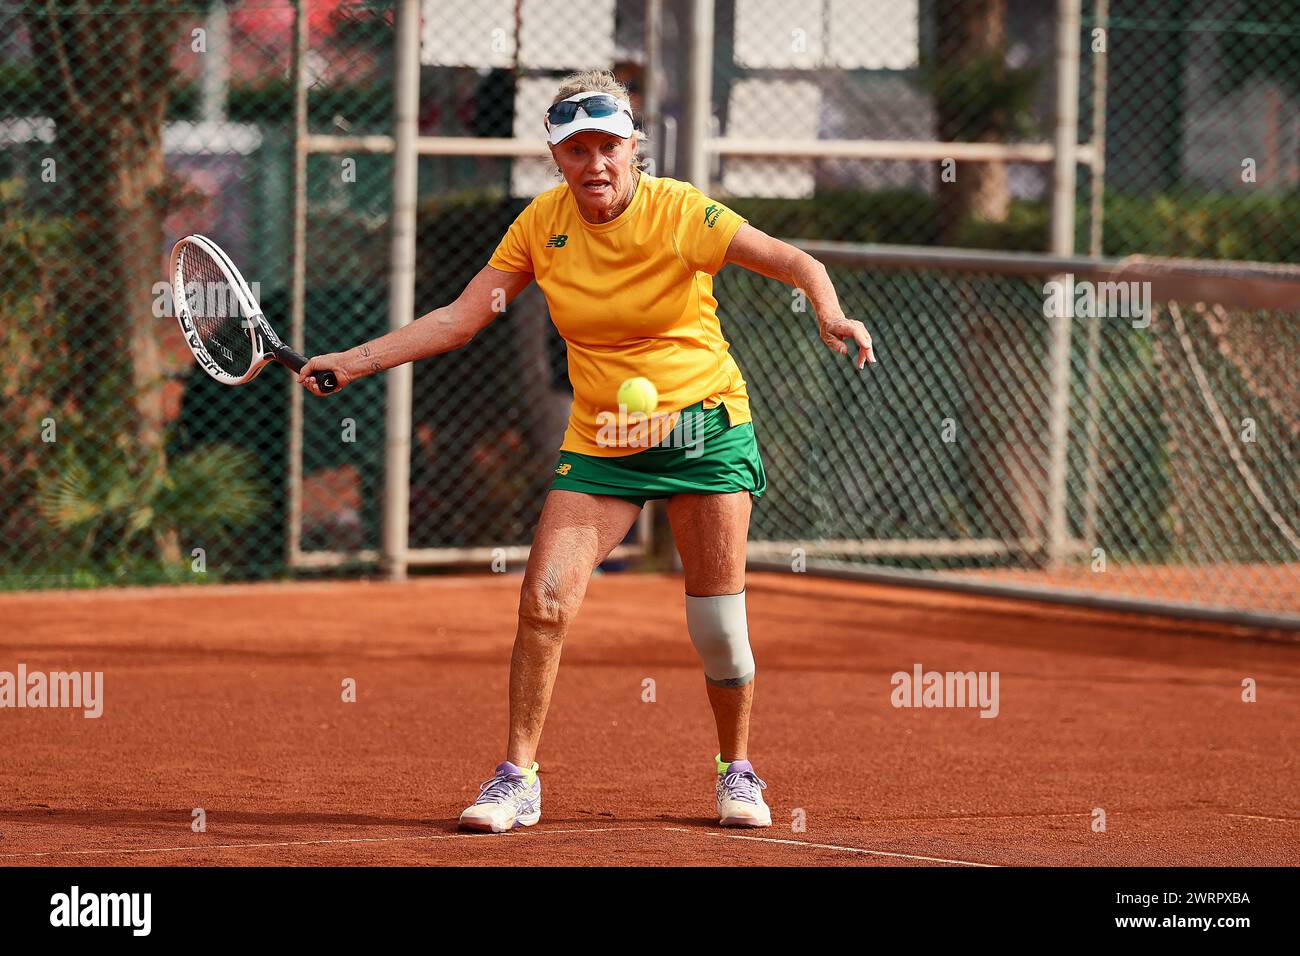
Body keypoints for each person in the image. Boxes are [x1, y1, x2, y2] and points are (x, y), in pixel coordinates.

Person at [298, 69, 875, 832]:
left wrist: (830, 315)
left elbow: (801, 264)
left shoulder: (681, 212)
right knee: (542, 603)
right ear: (556, 158)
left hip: (702, 429)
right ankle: (518, 777)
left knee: (717, 628)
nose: (594, 164)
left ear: (635, 147)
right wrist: (358, 358)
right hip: (604, 439)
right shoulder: (542, 225)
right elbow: (463, 317)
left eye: (608, 146)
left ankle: (737, 770)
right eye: (576, 150)